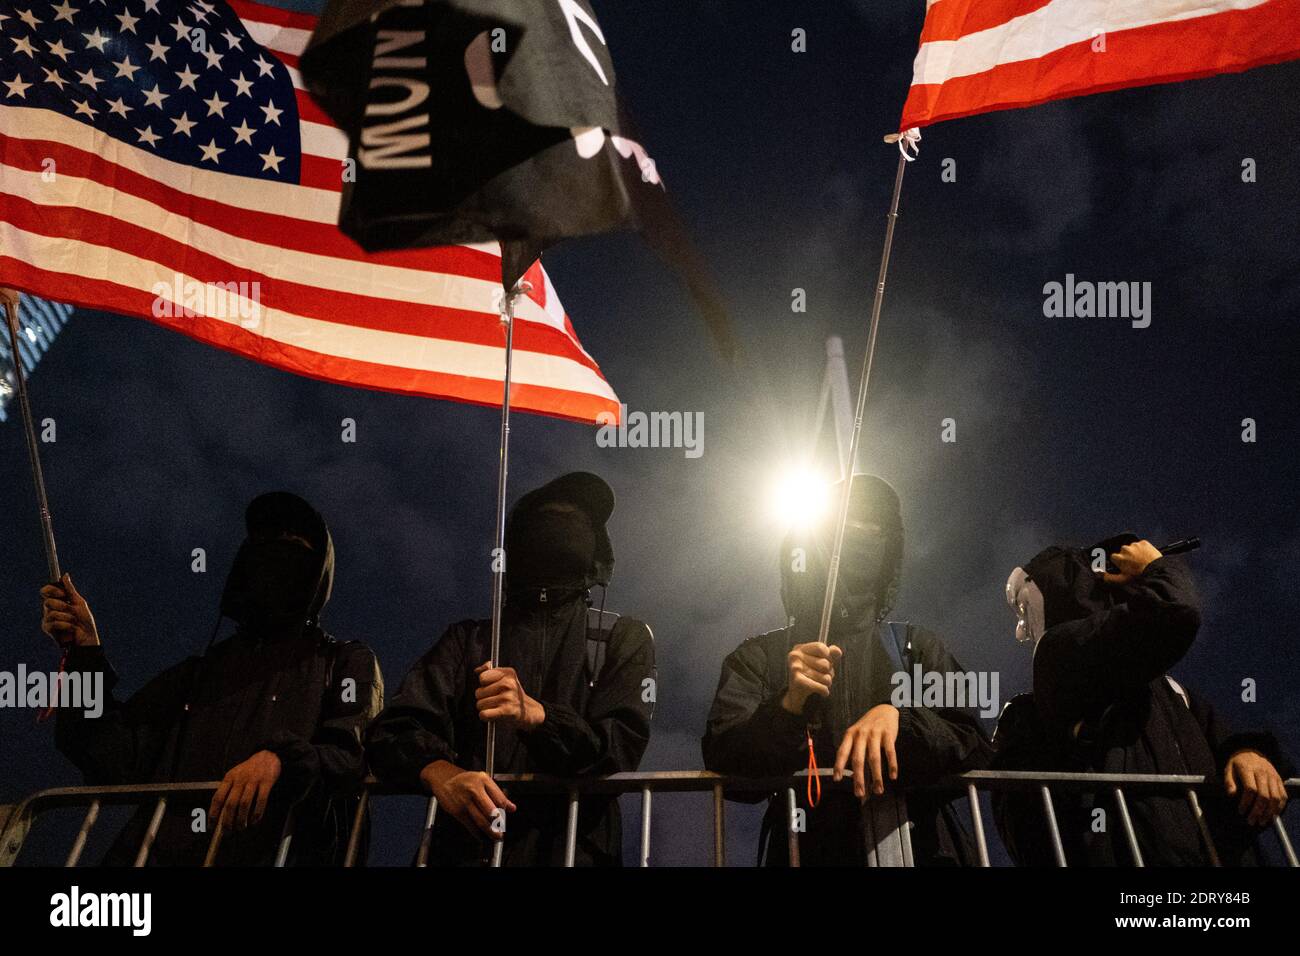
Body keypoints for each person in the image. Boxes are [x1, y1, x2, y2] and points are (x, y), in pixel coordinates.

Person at [43, 492, 382, 866]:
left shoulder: (343, 661)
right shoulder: (198, 673)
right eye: (265, 543)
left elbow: (354, 754)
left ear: (317, 572)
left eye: (294, 545)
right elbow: (108, 754)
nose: (275, 554)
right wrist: (86, 654)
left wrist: (281, 760)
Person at [366, 472, 655, 866]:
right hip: (467, 851)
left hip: (576, 853)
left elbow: (620, 748)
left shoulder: (623, 637)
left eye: (576, 518)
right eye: (548, 515)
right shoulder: (468, 641)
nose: (561, 524)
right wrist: (438, 770)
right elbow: (391, 731)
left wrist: (540, 717)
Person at [702, 474, 992, 866]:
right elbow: (725, 758)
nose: (862, 534)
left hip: (923, 852)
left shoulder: (917, 646)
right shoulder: (760, 656)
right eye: (848, 524)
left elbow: (975, 742)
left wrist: (900, 721)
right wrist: (788, 706)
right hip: (804, 854)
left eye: (875, 528)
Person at [994, 534, 1292, 865]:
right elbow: (1175, 611)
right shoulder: (1059, 657)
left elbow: (1226, 740)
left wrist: (1250, 753)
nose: (1021, 630)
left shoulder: (1170, 692)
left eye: (1023, 611)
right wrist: (1155, 566)